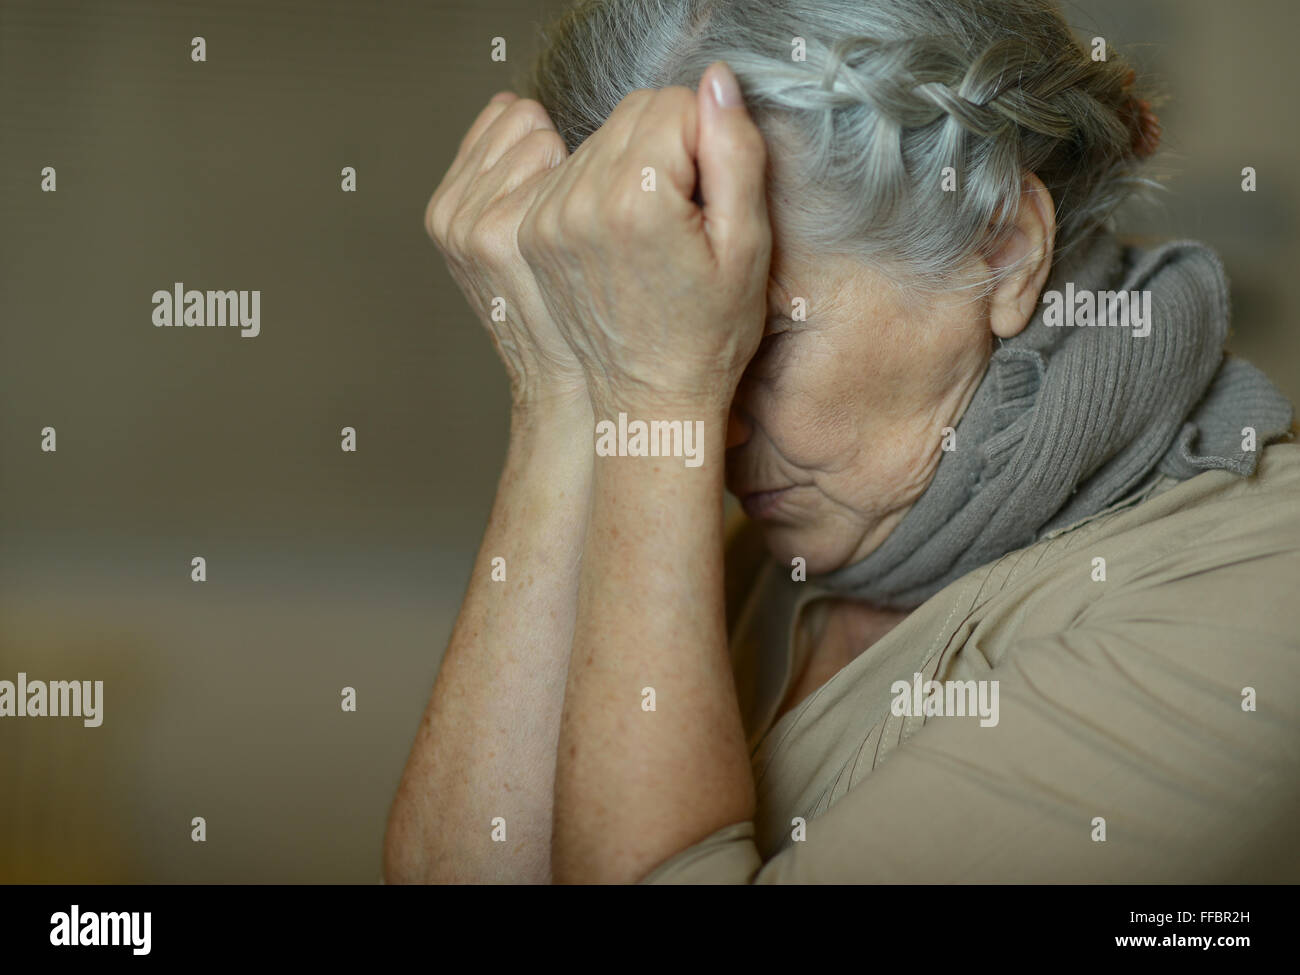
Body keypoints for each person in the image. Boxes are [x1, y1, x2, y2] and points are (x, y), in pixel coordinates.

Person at [384, 0, 1299, 883]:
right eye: (644, 321)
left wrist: (656, 383)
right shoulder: (793, 532)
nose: (712, 432)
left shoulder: (1257, 594)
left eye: (758, 335)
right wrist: (561, 386)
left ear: (1000, 248)